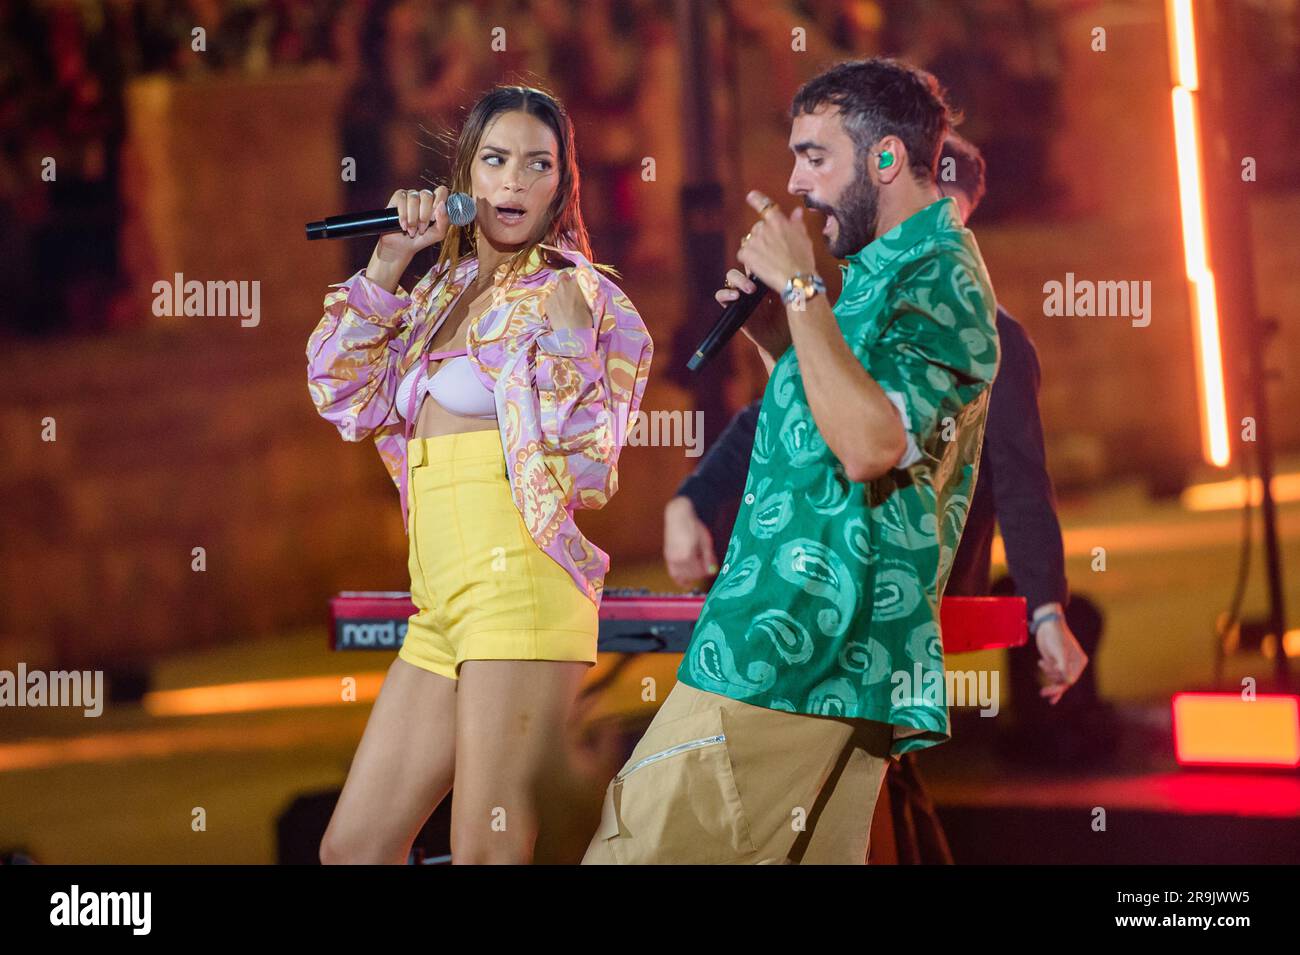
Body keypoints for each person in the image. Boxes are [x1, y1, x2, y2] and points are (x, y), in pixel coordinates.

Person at [584, 56, 1000, 865]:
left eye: (816, 155)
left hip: (793, 645)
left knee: (632, 852)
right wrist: (781, 330)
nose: (797, 181)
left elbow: (871, 446)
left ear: (884, 159)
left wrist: (806, 292)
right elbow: (847, 420)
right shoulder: (884, 276)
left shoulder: (940, 276)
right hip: (806, 647)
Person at [662, 130, 1089, 862]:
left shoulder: (984, 330)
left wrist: (1046, 605)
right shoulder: (860, 310)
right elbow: (779, 411)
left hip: (898, 588)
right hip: (833, 586)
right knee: (855, 796)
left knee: (853, 780)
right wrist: (694, 497)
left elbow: (1018, 475)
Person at [307, 84, 653, 864]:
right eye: (496, 160)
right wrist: (391, 257)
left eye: (539, 164)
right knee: (352, 849)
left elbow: (590, 463)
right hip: (438, 601)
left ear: (563, 184)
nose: (514, 182)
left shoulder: (576, 293)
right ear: (464, 179)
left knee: (487, 851)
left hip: (520, 592)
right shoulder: (437, 290)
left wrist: (567, 347)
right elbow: (342, 395)